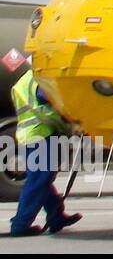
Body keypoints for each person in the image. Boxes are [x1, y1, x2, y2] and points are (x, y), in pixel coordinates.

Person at [9, 70, 81, 236]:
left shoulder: (25, 79)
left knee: (42, 178)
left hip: (29, 135)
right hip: (40, 134)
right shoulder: (40, 78)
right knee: (39, 179)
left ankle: (56, 216)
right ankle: (20, 224)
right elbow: (51, 98)